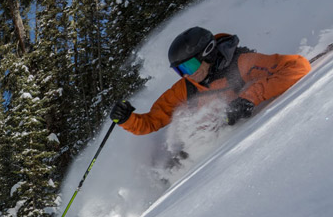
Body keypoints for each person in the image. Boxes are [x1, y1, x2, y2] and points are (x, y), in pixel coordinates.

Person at [110, 27, 311, 134]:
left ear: (207, 54)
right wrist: (127, 120)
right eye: (180, 70)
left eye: (188, 67)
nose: (186, 75)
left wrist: (249, 98)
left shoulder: (241, 63)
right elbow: (151, 121)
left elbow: (297, 67)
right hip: (204, 146)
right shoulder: (186, 88)